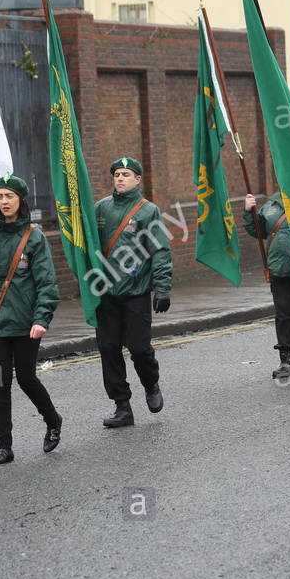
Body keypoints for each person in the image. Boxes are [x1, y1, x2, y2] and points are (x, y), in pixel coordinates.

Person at [0, 172, 62, 465]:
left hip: (27, 322)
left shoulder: (34, 236)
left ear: (21, 201)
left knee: (27, 378)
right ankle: (5, 446)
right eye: (0, 197)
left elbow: (47, 283)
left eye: (10, 197)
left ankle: (53, 420)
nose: (4, 202)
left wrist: (42, 318)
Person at [95, 157, 171, 428]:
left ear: (138, 179)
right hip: (105, 293)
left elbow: (160, 250)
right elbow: (87, 245)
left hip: (136, 292)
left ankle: (151, 384)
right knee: (109, 349)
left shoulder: (148, 211)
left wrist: (162, 287)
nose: (120, 178)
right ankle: (122, 406)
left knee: (139, 349)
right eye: (116, 174)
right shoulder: (101, 208)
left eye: (126, 174)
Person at [244, 190, 290, 379]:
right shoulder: (270, 206)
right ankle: (286, 361)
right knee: (284, 316)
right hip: (279, 270)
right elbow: (258, 231)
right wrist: (249, 212)